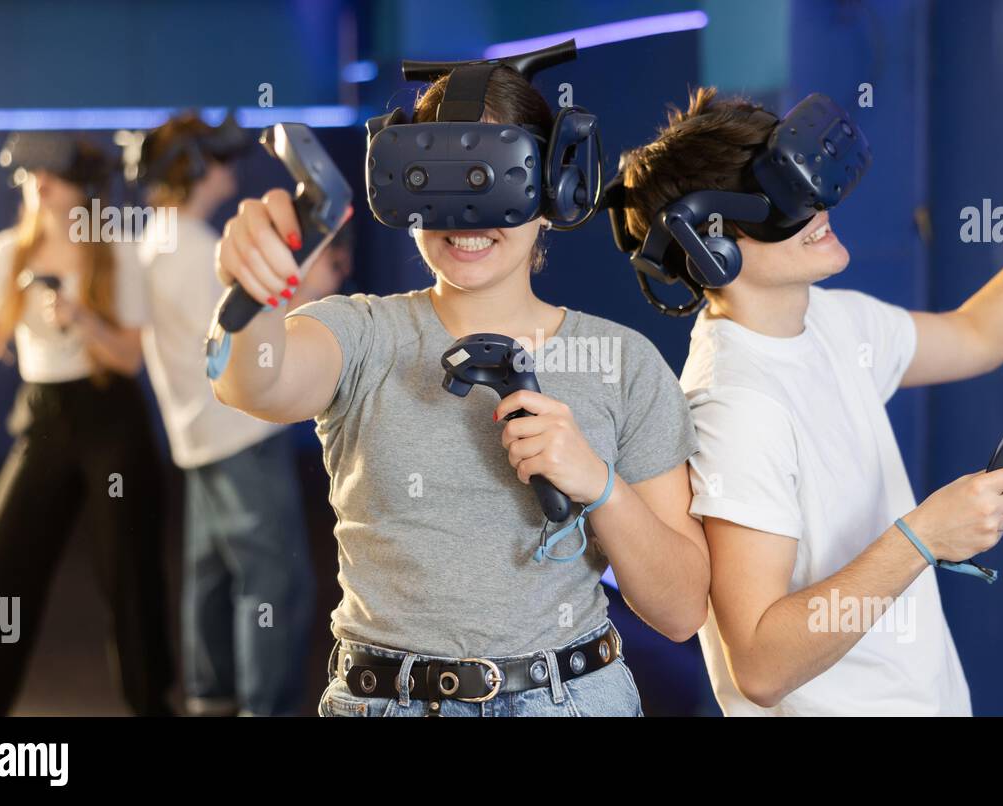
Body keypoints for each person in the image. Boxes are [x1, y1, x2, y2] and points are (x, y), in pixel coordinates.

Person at [613, 88, 1003, 716]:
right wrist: (922, 537)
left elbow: (976, 334)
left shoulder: (827, 321)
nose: (817, 203)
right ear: (711, 243)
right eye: (781, 197)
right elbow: (760, 665)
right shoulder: (738, 408)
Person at [210, 66, 709, 717]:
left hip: (570, 699)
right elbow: (252, 380)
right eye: (435, 177)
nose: (465, 214)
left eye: (491, 178)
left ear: (554, 185)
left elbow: (680, 608)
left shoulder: (624, 363)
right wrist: (254, 294)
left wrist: (599, 483)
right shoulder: (362, 333)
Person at [0, 133, 173, 716]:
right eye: (30, 175)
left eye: (53, 174)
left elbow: (130, 358)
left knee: (130, 579)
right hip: (42, 420)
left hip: (110, 417)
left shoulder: (114, 250)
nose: (38, 184)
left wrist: (81, 319)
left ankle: (153, 707)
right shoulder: (5, 252)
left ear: (84, 187)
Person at [132, 113, 332, 716]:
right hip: (237, 434)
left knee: (214, 575)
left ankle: (211, 697)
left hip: (198, 434)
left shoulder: (157, 239)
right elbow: (247, 331)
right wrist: (311, 285)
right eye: (216, 159)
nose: (229, 168)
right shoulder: (193, 249)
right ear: (193, 169)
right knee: (272, 584)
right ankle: (263, 708)